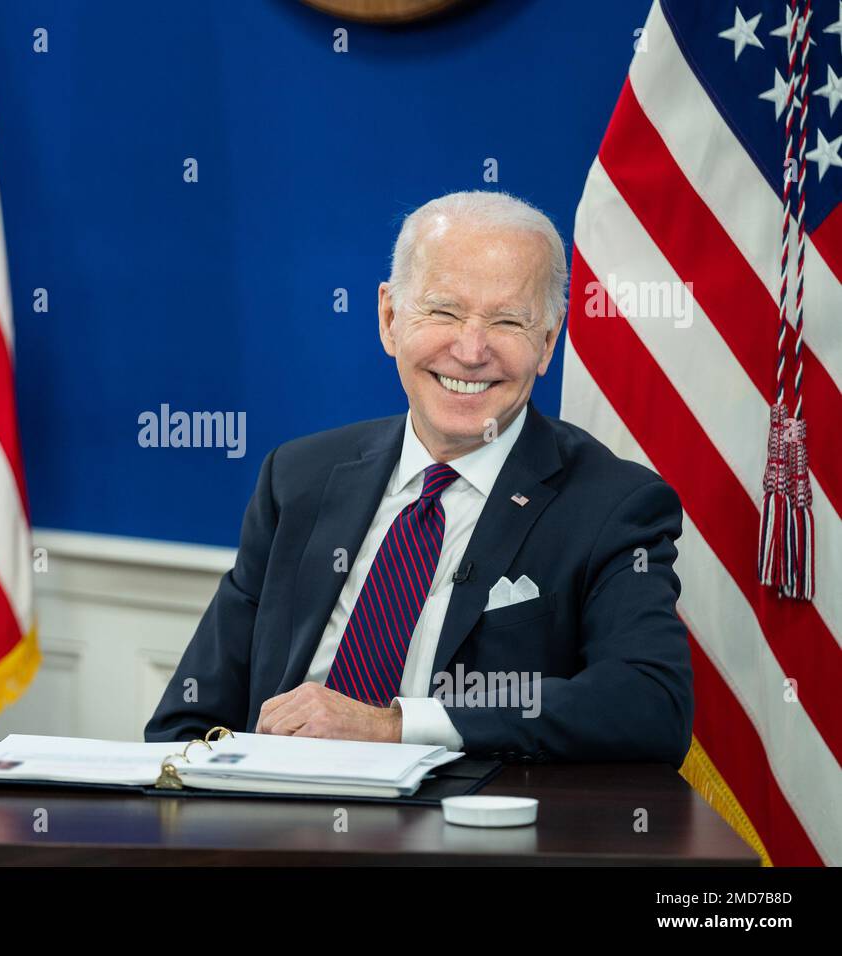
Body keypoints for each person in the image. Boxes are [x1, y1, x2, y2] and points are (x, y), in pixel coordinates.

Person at [145, 191, 693, 768]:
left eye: (507, 321)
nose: (471, 349)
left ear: (548, 342)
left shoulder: (613, 504)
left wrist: (398, 725)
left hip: (462, 841)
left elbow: (650, 704)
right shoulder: (298, 477)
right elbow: (184, 722)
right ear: (389, 319)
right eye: (444, 312)